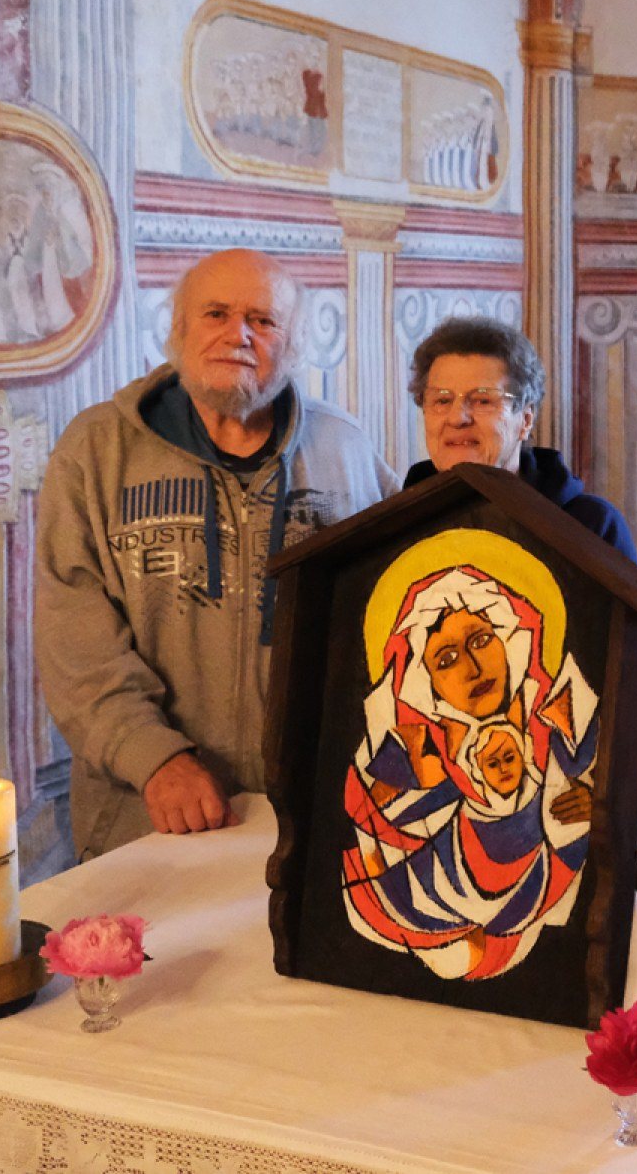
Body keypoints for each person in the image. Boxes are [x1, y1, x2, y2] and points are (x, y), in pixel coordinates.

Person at [36, 247, 401, 858]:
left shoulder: (346, 449)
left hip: (321, 816)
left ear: (293, 343)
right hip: (148, 816)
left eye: (263, 320)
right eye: (215, 314)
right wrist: (154, 758)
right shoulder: (95, 453)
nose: (238, 334)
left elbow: (400, 607)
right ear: (177, 330)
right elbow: (75, 640)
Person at [343, 558, 597, 980]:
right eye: (446, 660)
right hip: (446, 924)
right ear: (426, 683)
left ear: (508, 638)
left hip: (547, 925)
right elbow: (372, 832)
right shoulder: (412, 747)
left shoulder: (560, 712)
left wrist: (596, 805)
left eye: (481, 641)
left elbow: (601, 783)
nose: (472, 669)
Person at [403, 315, 637, 562]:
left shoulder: (590, 527)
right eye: (442, 400)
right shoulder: (397, 526)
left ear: (525, 420)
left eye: (483, 400)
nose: (457, 418)